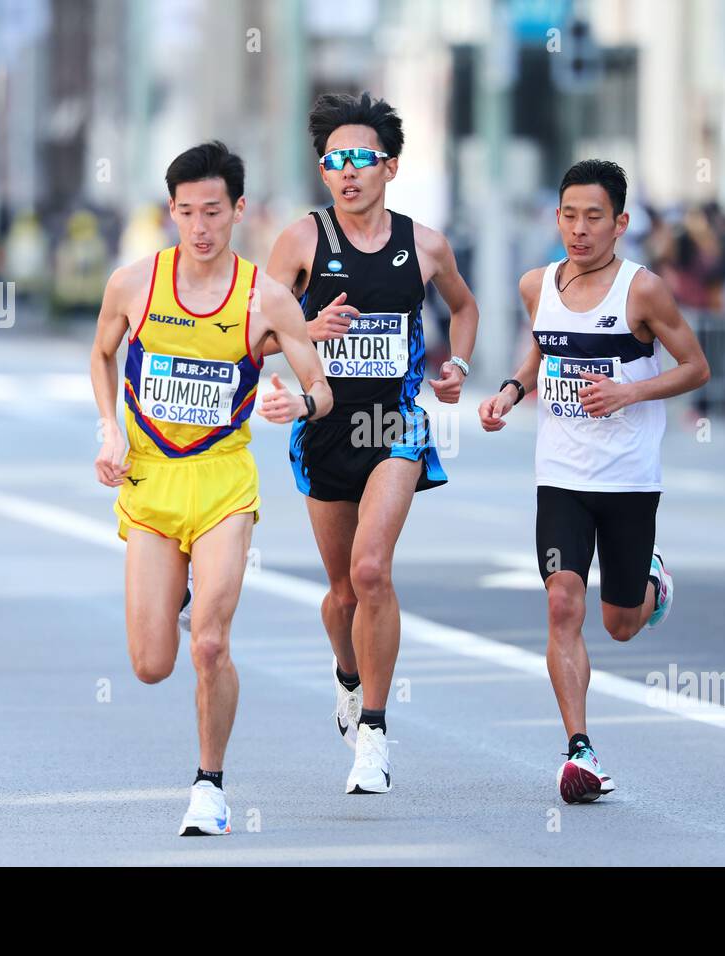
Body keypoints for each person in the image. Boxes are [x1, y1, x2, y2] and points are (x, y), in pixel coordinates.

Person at [90, 141, 332, 834]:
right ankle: (182, 593)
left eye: (214, 212)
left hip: (224, 482)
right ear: (171, 212)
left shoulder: (266, 298)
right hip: (150, 482)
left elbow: (322, 385)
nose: (200, 227)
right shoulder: (135, 284)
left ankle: (210, 787)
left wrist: (300, 406)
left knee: (209, 646)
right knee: (150, 664)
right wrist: (110, 429)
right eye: (187, 212)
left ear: (239, 211)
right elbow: (103, 353)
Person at [265, 92, 479, 794]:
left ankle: (376, 736)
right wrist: (304, 332)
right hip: (324, 423)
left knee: (371, 572)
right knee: (338, 594)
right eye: (334, 161)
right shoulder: (301, 240)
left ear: (389, 167)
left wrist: (460, 367)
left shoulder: (424, 244)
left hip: (395, 423)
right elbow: (255, 330)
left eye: (360, 159)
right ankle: (347, 673)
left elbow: (465, 305)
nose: (347, 172)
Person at [478, 159, 710, 804]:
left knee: (620, 625)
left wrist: (628, 392)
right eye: (569, 216)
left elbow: (695, 367)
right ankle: (579, 749)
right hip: (560, 475)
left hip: (630, 478)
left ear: (620, 223)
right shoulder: (536, 284)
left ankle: (651, 586)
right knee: (561, 601)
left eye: (594, 218)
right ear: (556, 218)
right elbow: (542, 348)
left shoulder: (643, 292)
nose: (579, 230)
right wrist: (510, 390)